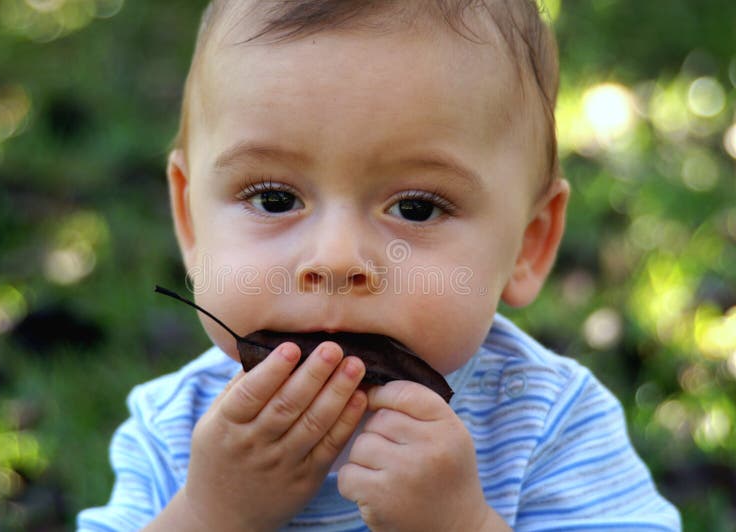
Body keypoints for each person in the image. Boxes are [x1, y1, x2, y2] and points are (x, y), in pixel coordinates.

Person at [78, 0, 681, 530]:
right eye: (275, 199)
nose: (337, 259)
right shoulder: (174, 433)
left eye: (417, 208)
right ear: (190, 222)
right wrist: (211, 515)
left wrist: (462, 525)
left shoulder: (548, 424)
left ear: (527, 244)